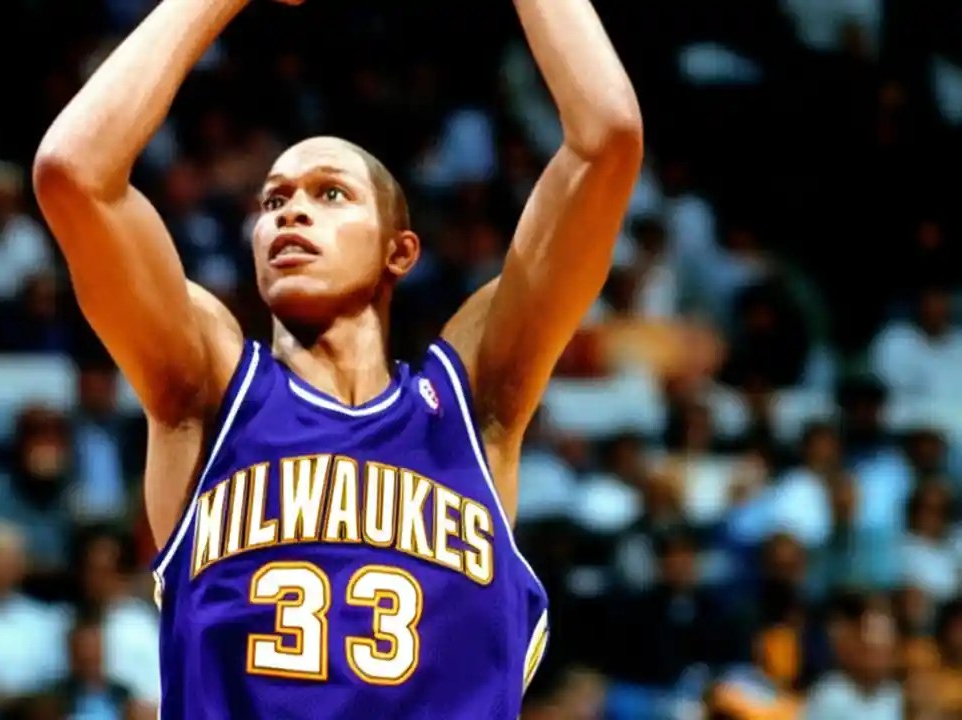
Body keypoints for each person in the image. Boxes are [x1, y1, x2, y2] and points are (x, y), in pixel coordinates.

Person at [34, 0, 641, 716]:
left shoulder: (471, 404)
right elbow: (73, 172)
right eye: (273, 202)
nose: (291, 212)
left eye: (330, 194)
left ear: (399, 252)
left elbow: (608, 141)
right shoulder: (211, 391)